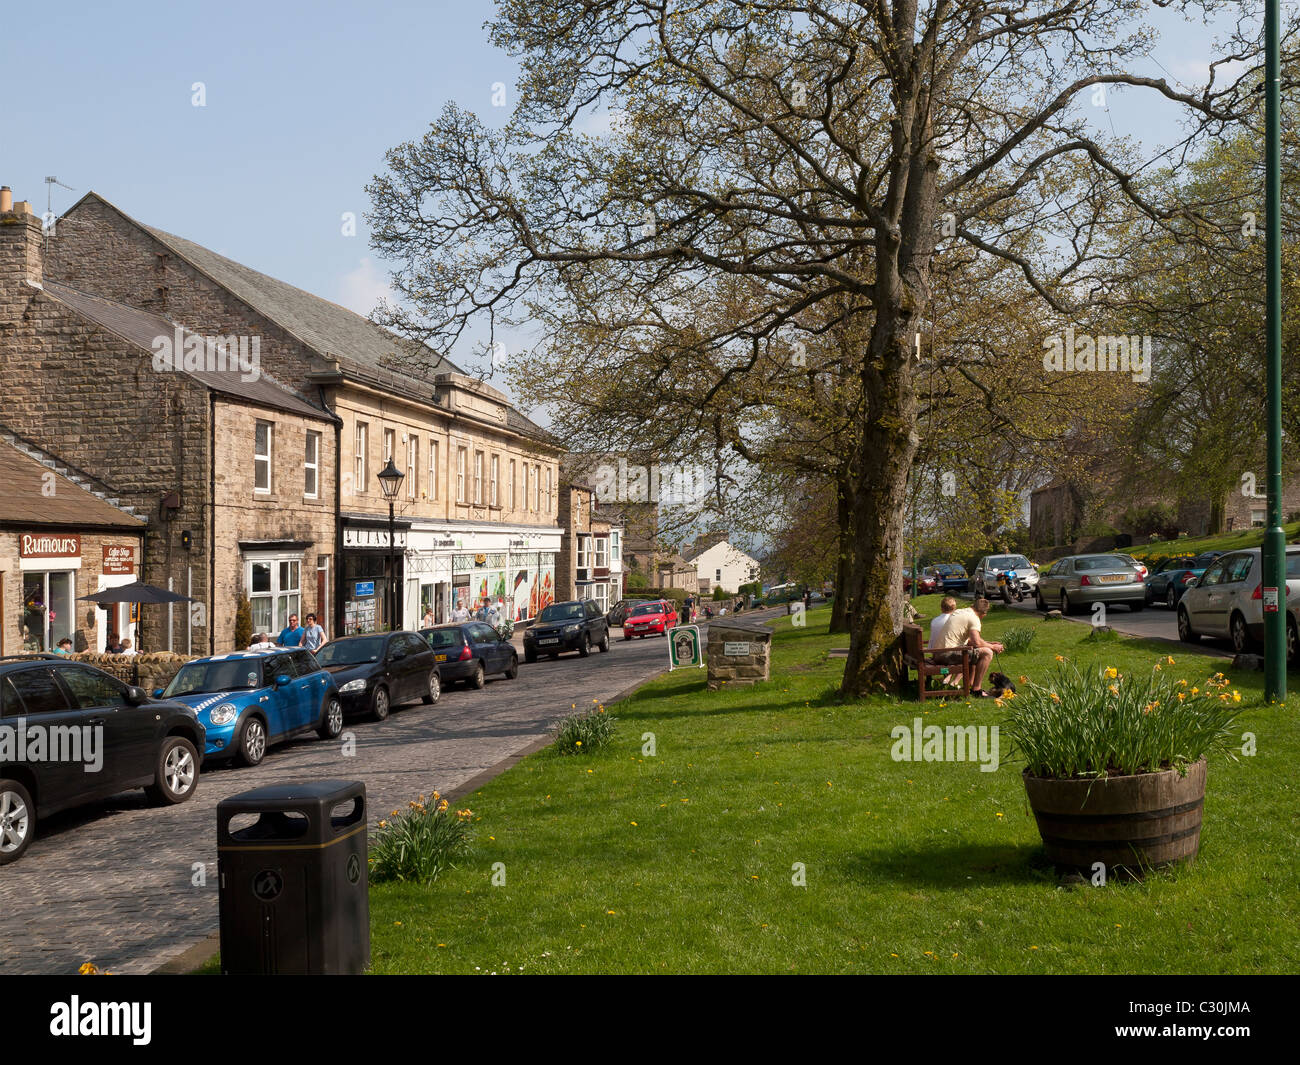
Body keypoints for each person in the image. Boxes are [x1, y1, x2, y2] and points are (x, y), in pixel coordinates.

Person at [934, 598, 1003, 697]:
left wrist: (989, 643)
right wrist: (993, 647)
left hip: (939, 653)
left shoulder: (960, 612)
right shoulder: (974, 618)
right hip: (946, 655)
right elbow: (976, 642)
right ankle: (976, 689)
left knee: (976, 651)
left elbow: (970, 641)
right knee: (987, 653)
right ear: (984, 614)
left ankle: (970, 686)